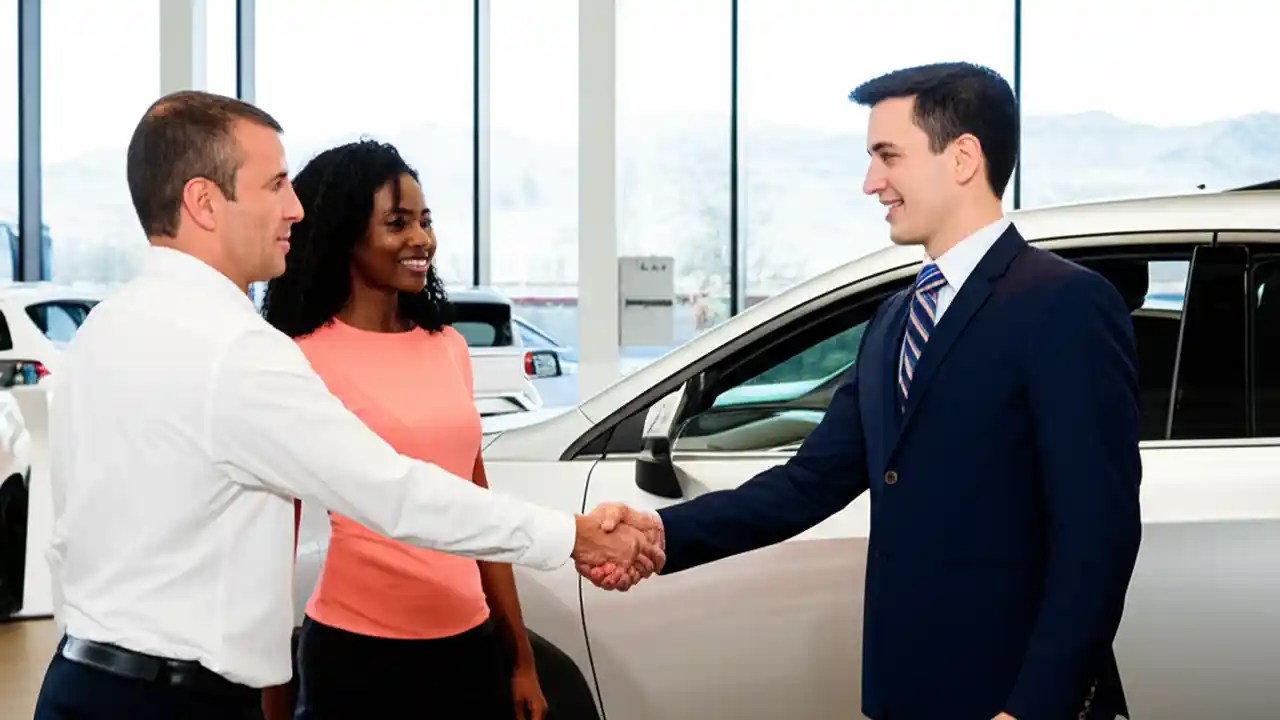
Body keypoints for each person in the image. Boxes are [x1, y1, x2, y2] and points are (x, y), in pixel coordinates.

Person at [34, 91, 659, 720]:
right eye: (275, 184)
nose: (295, 207)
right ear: (204, 201)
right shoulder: (238, 349)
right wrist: (571, 536)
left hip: (77, 682)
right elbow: (392, 492)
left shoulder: (101, 330)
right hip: (175, 701)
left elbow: (69, 533)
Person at [590, 62, 1143, 720]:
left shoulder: (1065, 305)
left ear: (962, 157)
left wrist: (1034, 708)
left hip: (1012, 697)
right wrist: (658, 533)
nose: (870, 183)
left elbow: (1098, 534)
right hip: (905, 691)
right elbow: (809, 483)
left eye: (888, 156)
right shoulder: (895, 319)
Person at [257, 140, 547, 719]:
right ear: (344, 234)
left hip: (469, 647)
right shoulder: (299, 359)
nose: (422, 240)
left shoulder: (449, 348)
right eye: (397, 223)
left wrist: (521, 659)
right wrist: (270, 694)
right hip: (356, 656)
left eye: (424, 220)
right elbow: (271, 540)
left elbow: (477, 508)